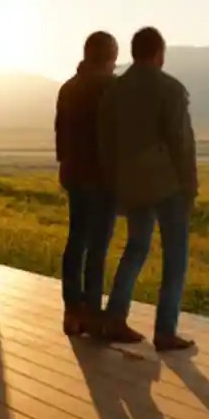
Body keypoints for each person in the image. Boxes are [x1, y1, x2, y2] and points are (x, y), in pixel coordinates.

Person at [98, 27, 197, 352]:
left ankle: (115, 316)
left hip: (130, 183)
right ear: (158, 54)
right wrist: (189, 186)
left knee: (136, 248)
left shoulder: (115, 91)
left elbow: (105, 142)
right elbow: (181, 143)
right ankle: (165, 331)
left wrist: (115, 183)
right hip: (167, 184)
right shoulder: (170, 89)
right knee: (175, 256)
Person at [55, 31, 120, 336]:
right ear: (110, 57)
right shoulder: (113, 88)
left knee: (76, 240)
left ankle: (72, 311)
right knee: (98, 246)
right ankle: (92, 311)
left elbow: (60, 133)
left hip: (74, 174)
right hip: (103, 177)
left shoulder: (68, 88)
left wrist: (66, 163)